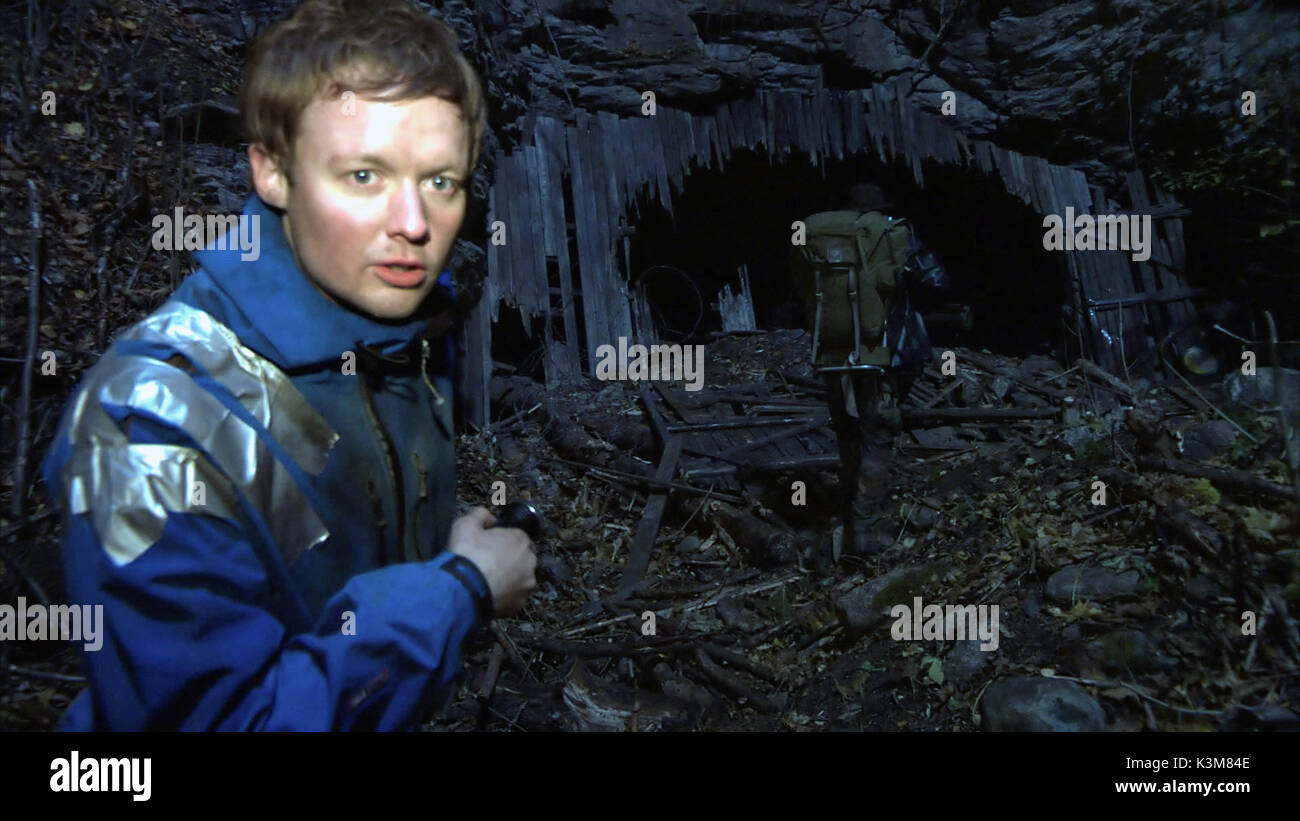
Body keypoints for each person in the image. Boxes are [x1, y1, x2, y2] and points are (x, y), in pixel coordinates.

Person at [39, 0, 536, 730]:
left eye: (440, 181)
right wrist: (458, 591)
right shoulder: (150, 425)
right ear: (272, 172)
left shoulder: (402, 336)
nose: (414, 224)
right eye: (365, 175)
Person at [794, 183, 952, 557]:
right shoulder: (893, 234)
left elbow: (801, 292)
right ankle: (864, 532)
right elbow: (937, 282)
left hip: (833, 354)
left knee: (848, 435)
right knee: (877, 438)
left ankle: (844, 519)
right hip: (881, 355)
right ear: (881, 208)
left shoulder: (816, 236)